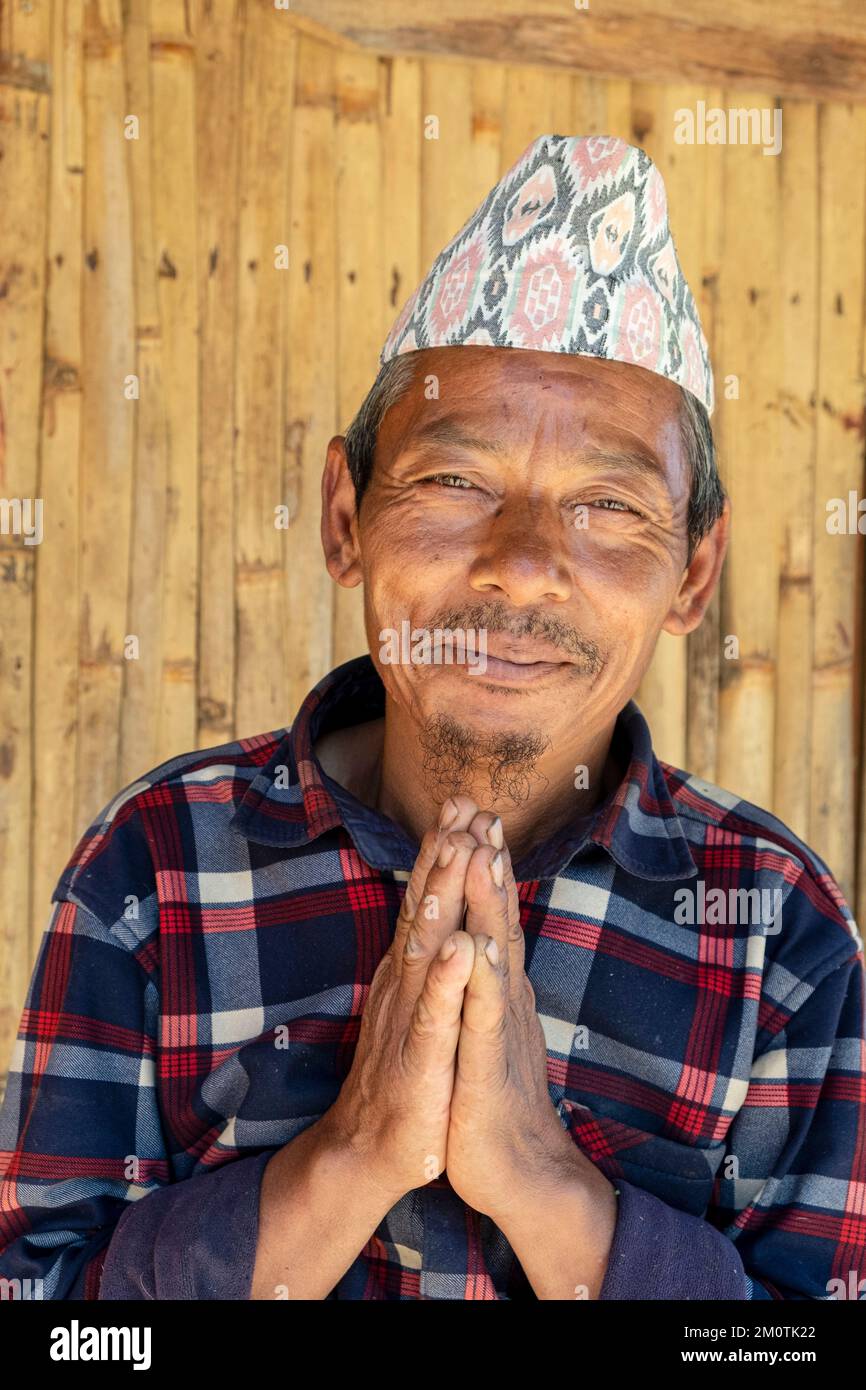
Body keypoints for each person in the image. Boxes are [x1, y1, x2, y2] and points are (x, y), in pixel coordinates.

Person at [1, 134, 864, 1301]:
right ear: (345, 515)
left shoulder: (777, 934)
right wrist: (347, 1159)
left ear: (694, 576)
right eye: (456, 483)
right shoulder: (153, 870)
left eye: (607, 506)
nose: (521, 568)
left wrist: (541, 1178)